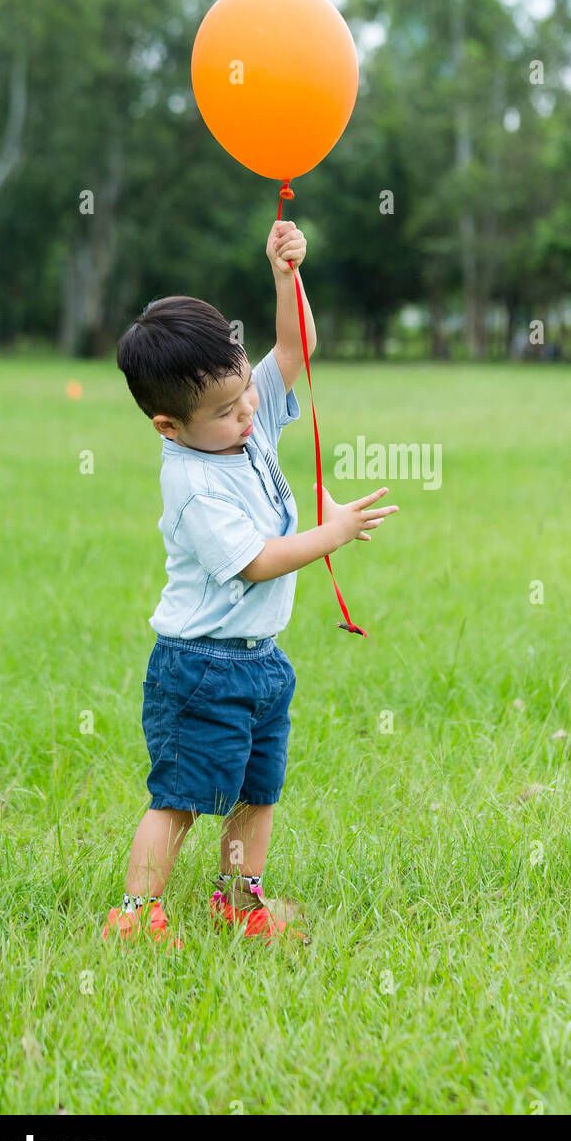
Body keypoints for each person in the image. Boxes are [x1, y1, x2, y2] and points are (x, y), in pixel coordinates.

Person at [107, 219, 399, 945]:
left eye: (245, 396)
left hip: (261, 660)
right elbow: (255, 561)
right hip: (199, 666)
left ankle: (238, 898)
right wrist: (327, 536)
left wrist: (284, 275)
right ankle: (136, 915)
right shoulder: (193, 481)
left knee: (257, 791)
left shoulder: (241, 415)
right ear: (170, 426)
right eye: (226, 412)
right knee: (181, 797)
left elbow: (296, 350)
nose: (248, 414)